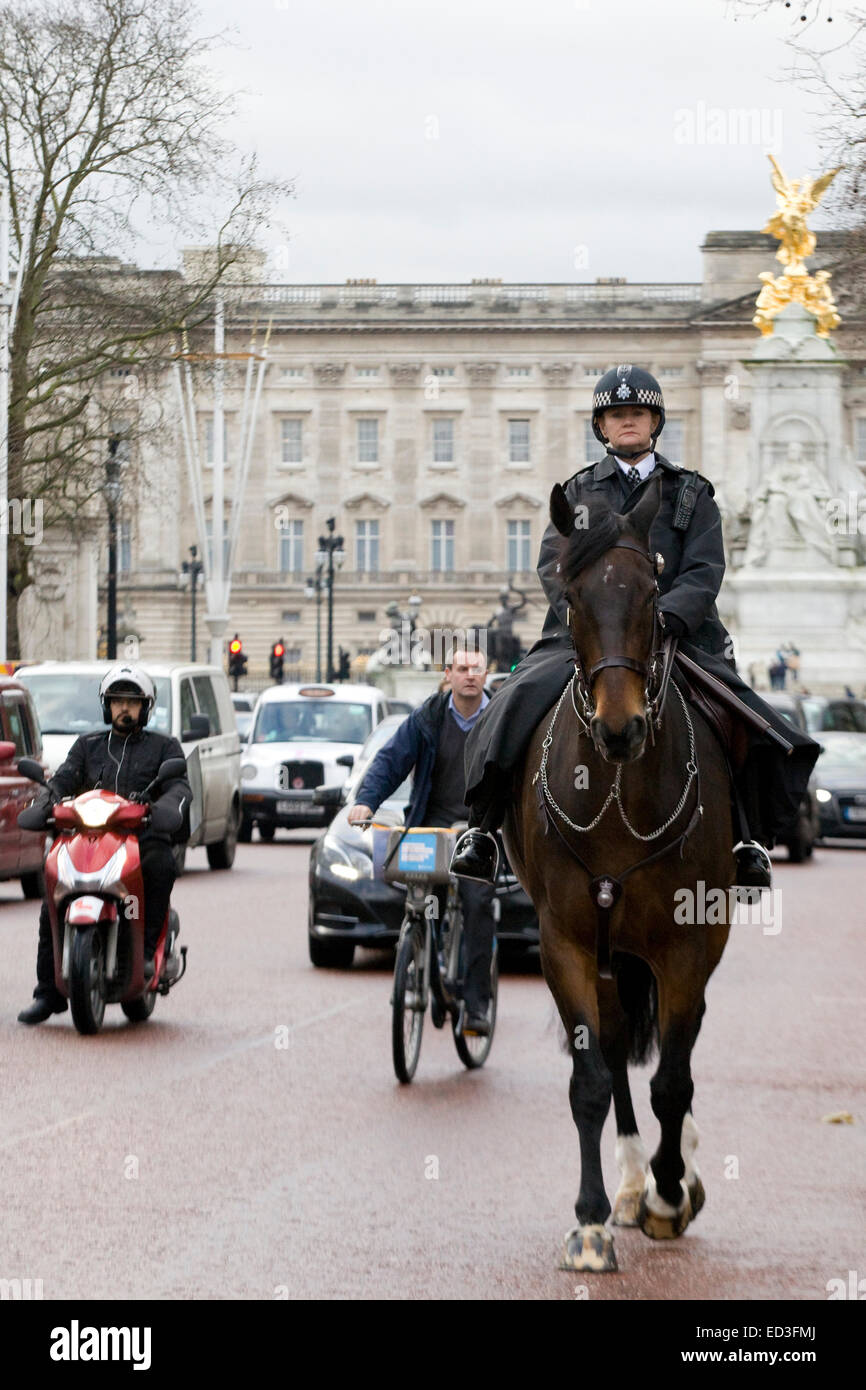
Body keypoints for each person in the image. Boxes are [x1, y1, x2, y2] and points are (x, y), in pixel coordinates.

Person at [451, 364, 820, 891]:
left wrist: (665, 617)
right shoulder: (579, 492)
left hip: (679, 634)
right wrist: (590, 619)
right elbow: (554, 565)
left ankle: (747, 837)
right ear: (602, 427)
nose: (628, 423)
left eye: (638, 414)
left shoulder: (690, 492)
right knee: (515, 699)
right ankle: (482, 830)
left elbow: (704, 569)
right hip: (593, 635)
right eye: (617, 415)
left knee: (744, 719)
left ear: (655, 422)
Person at [17, 664, 191, 1025]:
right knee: (55, 887)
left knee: (159, 863)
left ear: (145, 707)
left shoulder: (164, 747)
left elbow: (179, 787)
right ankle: (48, 991)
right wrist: (46, 801)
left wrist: (166, 806)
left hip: (139, 835)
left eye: (131, 702)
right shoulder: (88, 745)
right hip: (89, 834)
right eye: (116, 701)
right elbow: (62, 781)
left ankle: (144, 954)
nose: (123, 709)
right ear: (105, 706)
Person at [348, 647, 496, 1036]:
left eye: (476, 669)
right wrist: (366, 802)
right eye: (461, 668)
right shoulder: (428, 718)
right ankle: (426, 960)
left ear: (486, 673)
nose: (469, 675)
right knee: (425, 898)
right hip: (432, 826)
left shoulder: (500, 718)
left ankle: (478, 1004)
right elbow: (391, 759)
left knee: (478, 904)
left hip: (478, 829)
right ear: (448, 673)